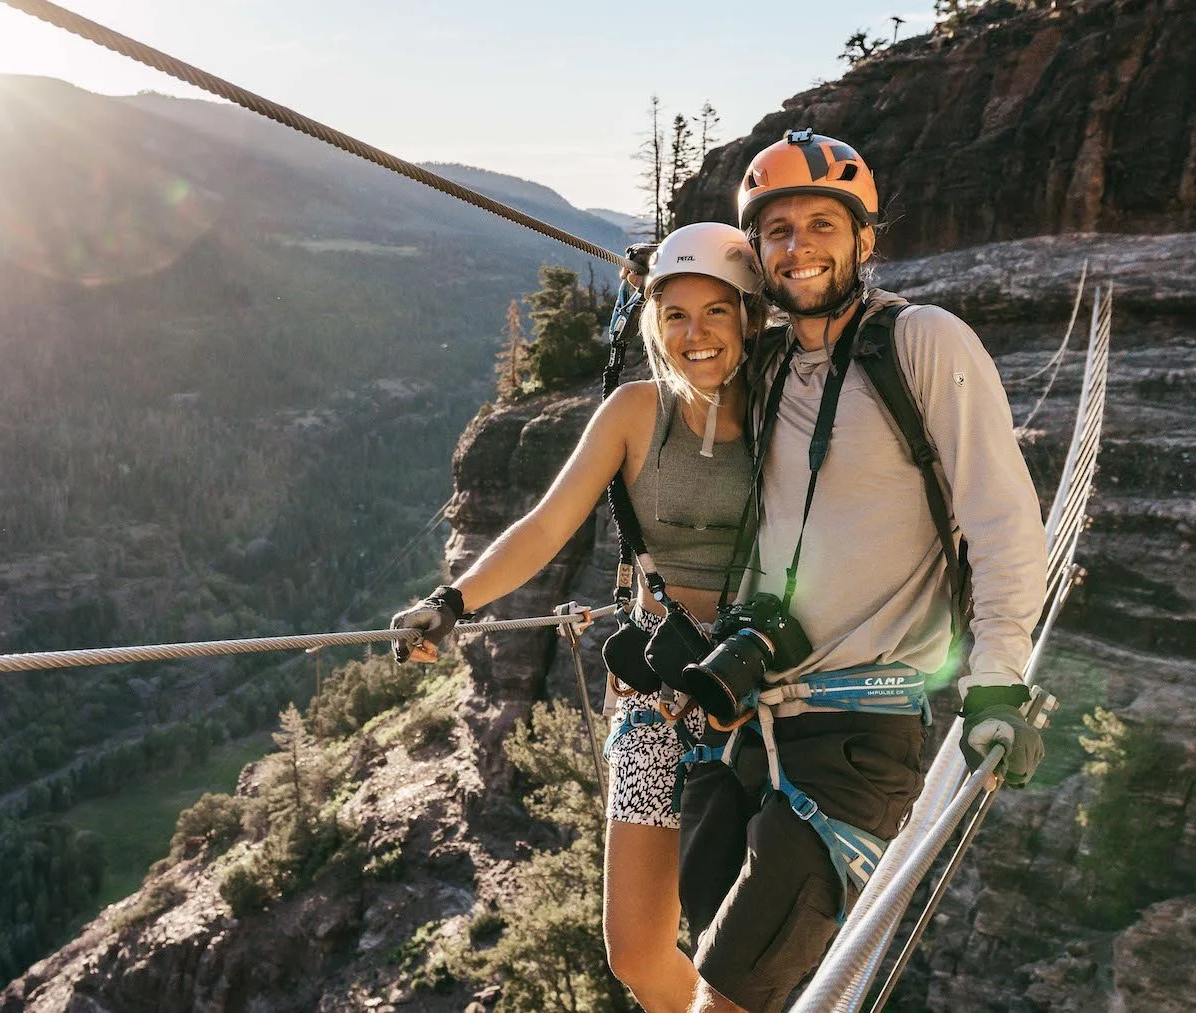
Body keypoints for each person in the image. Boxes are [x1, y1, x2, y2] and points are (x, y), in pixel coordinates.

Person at [675, 129, 1049, 1013]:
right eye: (776, 231)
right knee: (705, 966)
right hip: (746, 723)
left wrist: (997, 685)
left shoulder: (922, 344)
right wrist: (668, 298)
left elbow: (1002, 520)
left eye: (820, 224)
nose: (798, 247)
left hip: (859, 734)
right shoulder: (764, 365)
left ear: (864, 239)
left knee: (725, 997)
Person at [391, 222, 765, 1013]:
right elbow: (544, 524)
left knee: (747, 949)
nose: (695, 334)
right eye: (675, 315)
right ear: (654, 326)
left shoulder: (786, 411)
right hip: (657, 697)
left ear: (750, 318)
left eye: (715, 313)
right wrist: (452, 601)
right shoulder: (636, 410)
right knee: (636, 951)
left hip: (760, 699)